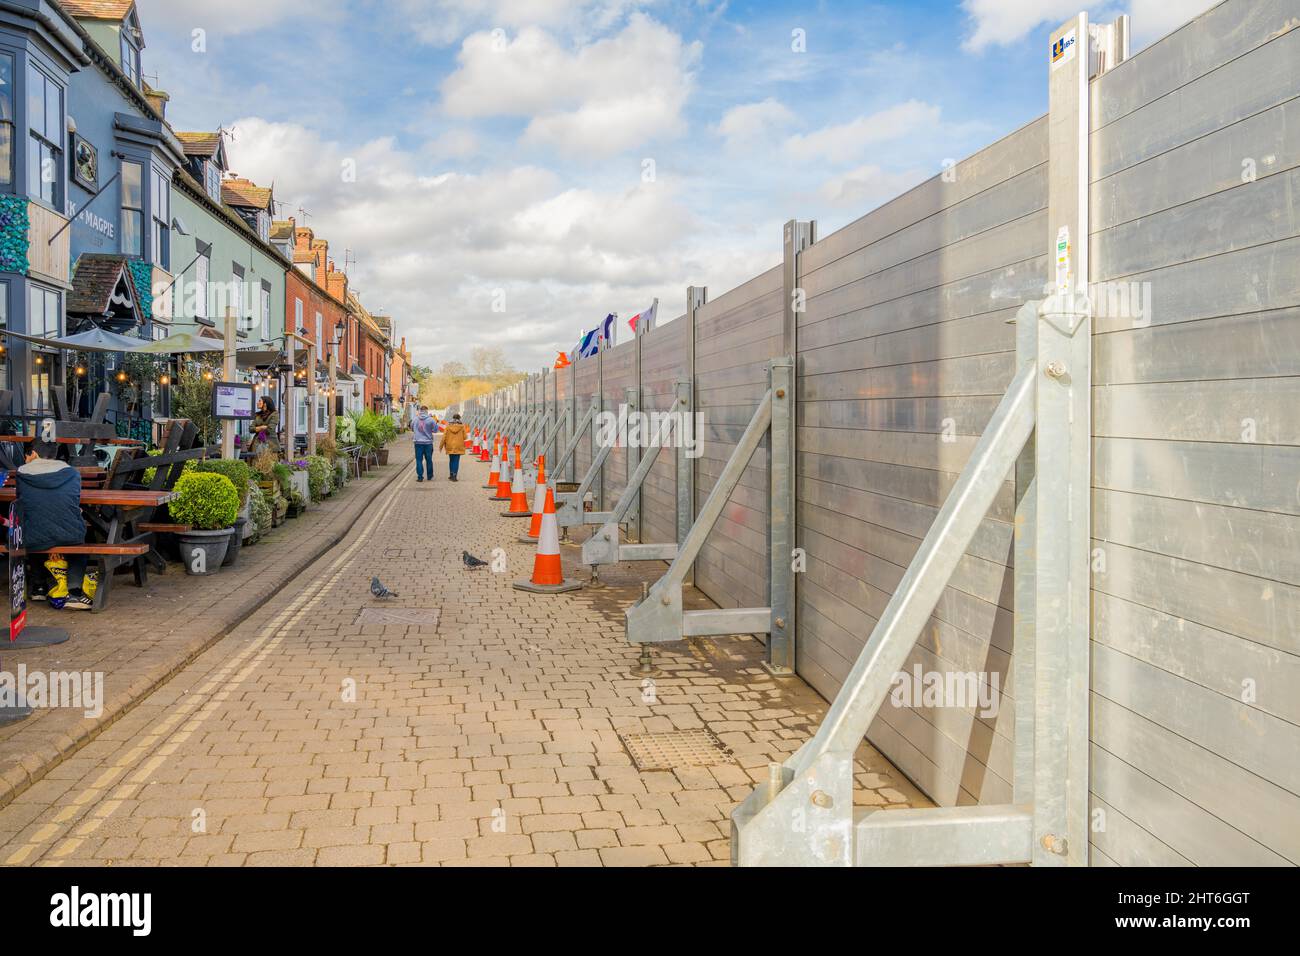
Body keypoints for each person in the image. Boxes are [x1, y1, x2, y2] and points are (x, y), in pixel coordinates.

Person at [439, 413, 468, 482]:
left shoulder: (448, 426)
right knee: (456, 461)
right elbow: (465, 437)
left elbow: (444, 437)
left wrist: (441, 446)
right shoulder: (462, 426)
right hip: (458, 446)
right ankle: (455, 476)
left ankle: (451, 474)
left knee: (451, 460)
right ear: (459, 419)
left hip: (450, 445)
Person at [412, 405, 437, 482]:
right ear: (426, 411)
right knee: (429, 459)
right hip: (428, 443)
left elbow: (412, 428)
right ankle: (429, 476)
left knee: (419, 460)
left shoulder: (415, 419)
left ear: (420, 410)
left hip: (418, 443)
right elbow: (435, 430)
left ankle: (420, 477)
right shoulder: (431, 420)